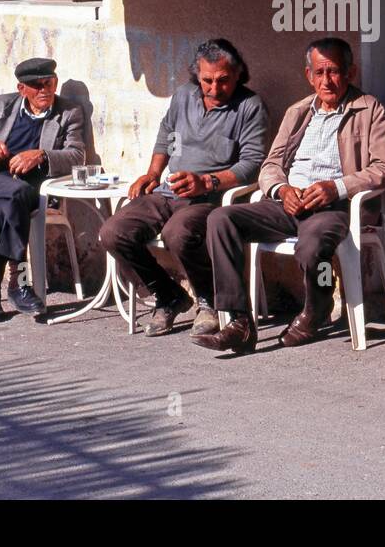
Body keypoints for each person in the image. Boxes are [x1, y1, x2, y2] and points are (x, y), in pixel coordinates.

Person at [194, 37, 385, 355]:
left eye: (334, 72)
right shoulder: (298, 111)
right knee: (221, 219)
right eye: (319, 73)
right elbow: (271, 164)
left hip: (334, 207)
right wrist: (281, 189)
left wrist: (337, 187)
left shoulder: (369, 109)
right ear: (309, 75)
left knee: (313, 244)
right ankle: (238, 322)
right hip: (286, 203)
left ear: (351, 72)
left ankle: (315, 308)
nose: (326, 80)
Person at [99, 39, 268, 337]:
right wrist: (153, 172)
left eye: (223, 81)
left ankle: (209, 300)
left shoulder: (249, 106)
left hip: (210, 197)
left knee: (179, 233)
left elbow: (252, 164)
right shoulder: (184, 96)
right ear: (196, 76)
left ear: (238, 73)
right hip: (168, 191)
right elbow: (166, 134)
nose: (215, 89)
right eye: (207, 81)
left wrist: (207, 182)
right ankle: (168, 296)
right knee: (114, 233)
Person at [0, 57, 86, 324]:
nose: (45, 90)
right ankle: (18, 282)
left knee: (3, 209)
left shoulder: (68, 112)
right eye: (36, 85)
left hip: (22, 193)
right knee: (16, 194)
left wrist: (42, 156)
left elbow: (77, 155)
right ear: (22, 89)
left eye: (49, 83)